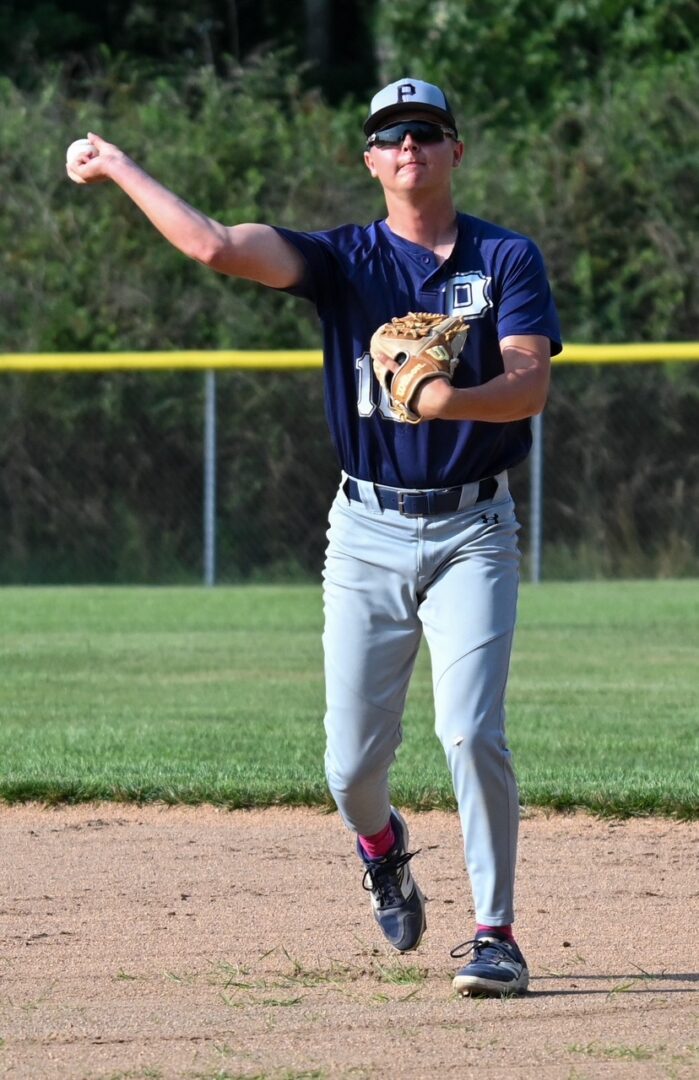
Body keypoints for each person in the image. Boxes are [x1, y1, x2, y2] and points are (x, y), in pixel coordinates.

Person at [70, 76, 561, 997]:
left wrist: (446, 400)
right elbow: (215, 246)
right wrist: (122, 166)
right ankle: (382, 847)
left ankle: (495, 934)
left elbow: (529, 384)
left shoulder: (504, 257)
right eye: (390, 134)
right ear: (369, 159)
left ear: (455, 150)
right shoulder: (342, 260)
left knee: (470, 731)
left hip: (474, 529)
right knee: (349, 768)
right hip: (366, 530)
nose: (408, 146)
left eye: (425, 131)